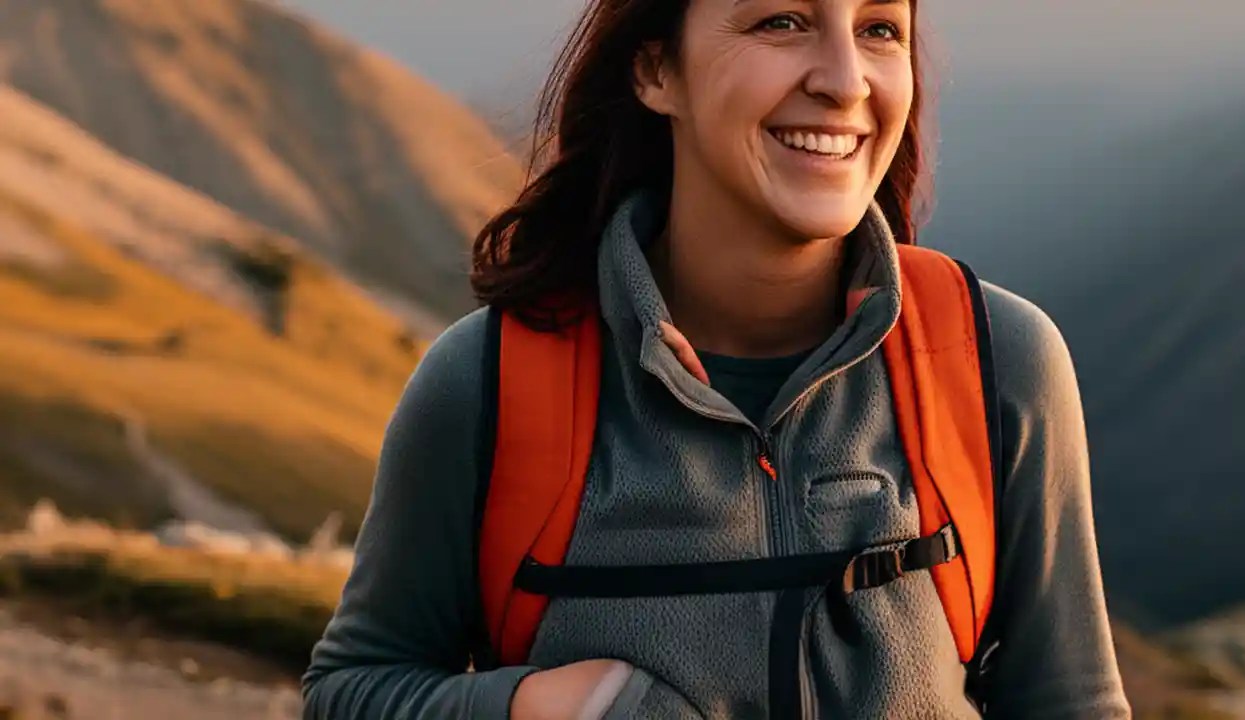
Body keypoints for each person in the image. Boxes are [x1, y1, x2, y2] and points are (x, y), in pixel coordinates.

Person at [301, 0, 1132, 717]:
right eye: (782, 22)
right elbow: (352, 690)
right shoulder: (489, 382)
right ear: (658, 70)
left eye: (880, 28)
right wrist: (549, 709)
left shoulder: (994, 361)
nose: (846, 80)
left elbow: (1073, 704)